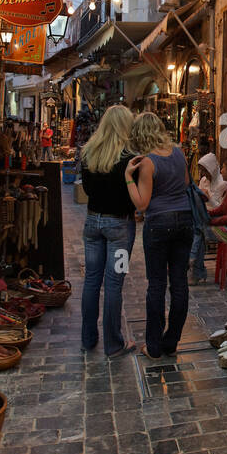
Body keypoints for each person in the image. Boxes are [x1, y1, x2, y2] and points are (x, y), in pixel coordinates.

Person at [126, 112, 193, 359]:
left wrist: (127, 179)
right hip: (184, 219)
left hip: (159, 223)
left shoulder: (147, 162)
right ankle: (171, 341)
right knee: (179, 284)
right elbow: (186, 183)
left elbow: (142, 204)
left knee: (156, 285)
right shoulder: (178, 152)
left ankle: (153, 347)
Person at [78, 105, 137, 358]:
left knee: (92, 280)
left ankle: (88, 338)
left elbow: (88, 191)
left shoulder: (89, 153)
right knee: (115, 283)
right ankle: (113, 344)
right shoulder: (130, 159)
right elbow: (133, 197)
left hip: (92, 224)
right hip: (119, 228)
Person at [188, 141, 227, 284]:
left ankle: (193, 266)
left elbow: (221, 208)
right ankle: (194, 267)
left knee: (197, 229)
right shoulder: (204, 181)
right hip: (204, 216)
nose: (203, 174)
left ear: (212, 169)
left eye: (205, 171)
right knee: (196, 227)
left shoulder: (223, 183)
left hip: (216, 219)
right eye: (202, 171)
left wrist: (209, 197)